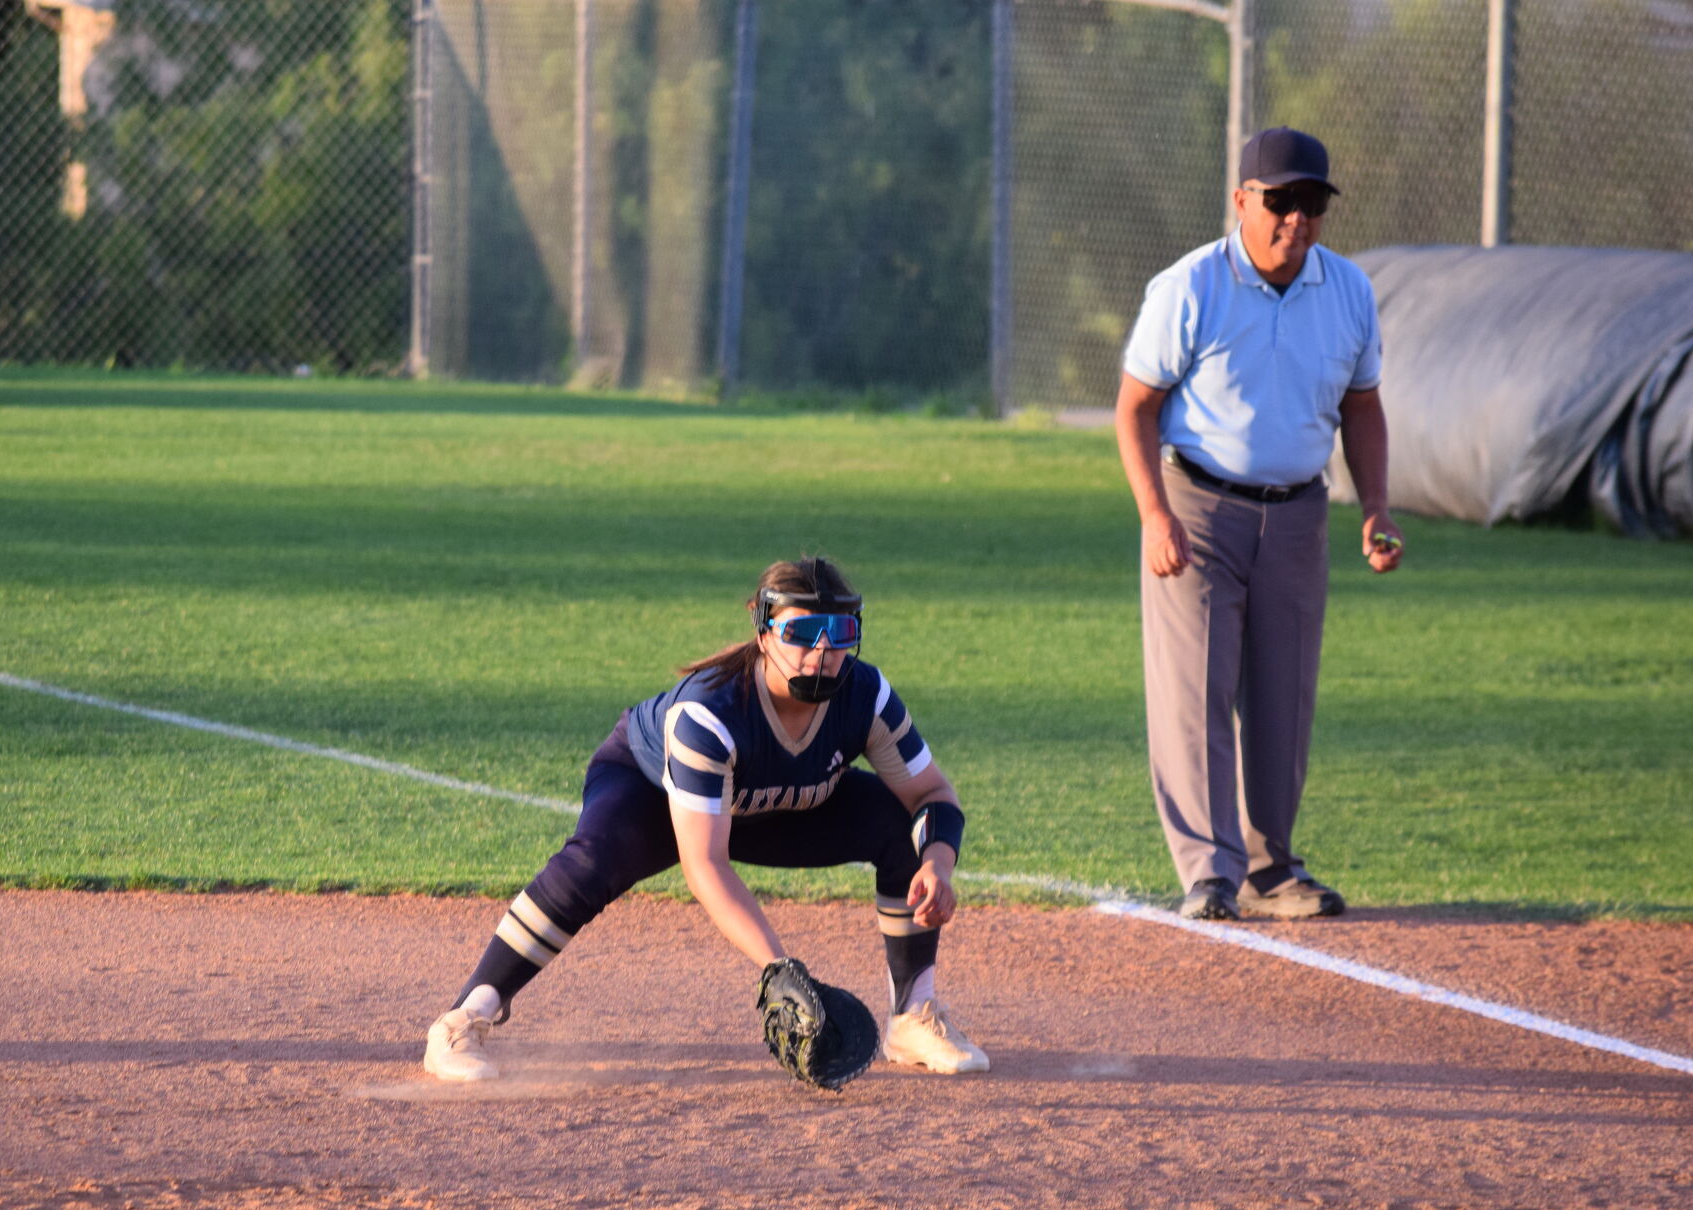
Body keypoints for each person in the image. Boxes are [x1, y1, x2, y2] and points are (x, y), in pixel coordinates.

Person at [423, 556, 989, 1081]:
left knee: (903, 826)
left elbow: (933, 793)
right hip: (651, 789)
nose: (821, 653)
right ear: (763, 630)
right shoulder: (708, 712)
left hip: (775, 800)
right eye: (800, 633)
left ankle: (914, 1015)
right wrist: (780, 969)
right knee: (593, 862)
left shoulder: (865, 695)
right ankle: (462, 1017)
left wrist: (938, 863)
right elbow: (705, 864)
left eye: (838, 635)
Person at [1114, 126, 1404, 922]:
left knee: (1283, 695)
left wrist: (1374, 503)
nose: (1296, 219)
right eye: (1280, 201)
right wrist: (1153, 514)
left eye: (1312, 202)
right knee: (1196, 690)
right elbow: (1136, 407)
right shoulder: (1192, 286)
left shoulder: (1346, 290)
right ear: (1242, 200)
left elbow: (1363, 404)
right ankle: (1210, 870)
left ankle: (1272, 867)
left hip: (1300, 509)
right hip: (1198, 507)